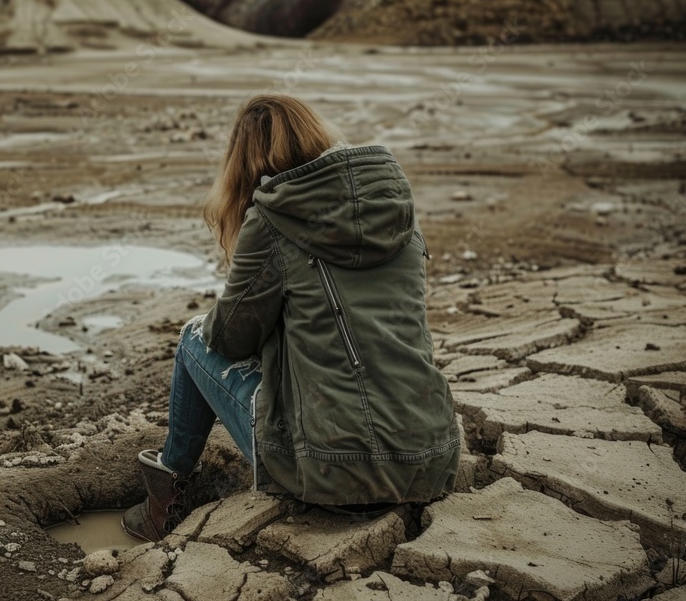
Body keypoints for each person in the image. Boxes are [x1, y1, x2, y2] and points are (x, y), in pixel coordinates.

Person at [122, 94, 460, 542]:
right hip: (430, 455)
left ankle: (164, 500)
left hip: (331, 469)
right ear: (316, 134)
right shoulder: (397, 209)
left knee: (192, 339)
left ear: (245, 164)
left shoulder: (272, 218)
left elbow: (228, 338)